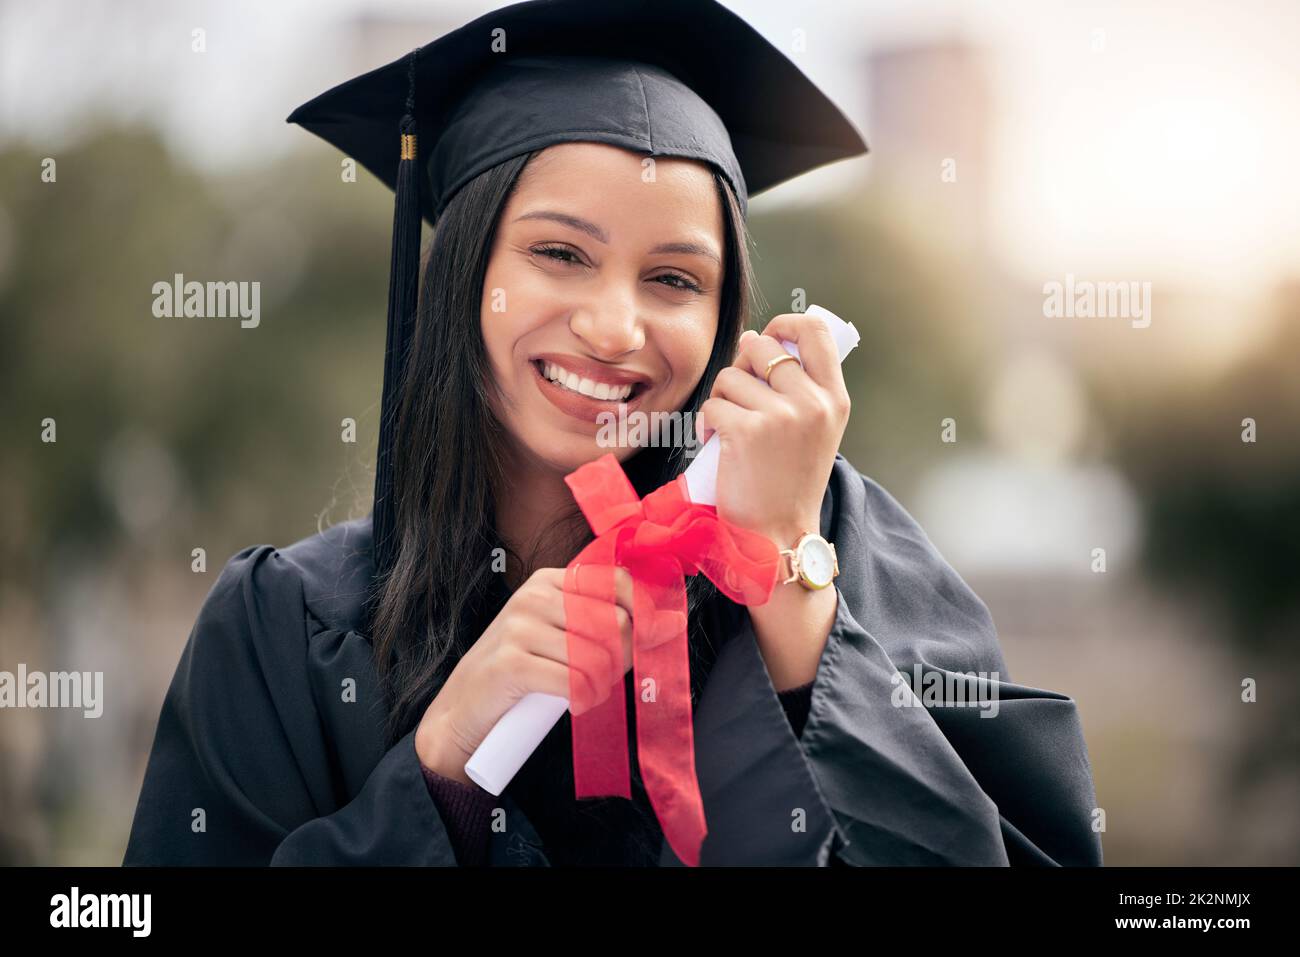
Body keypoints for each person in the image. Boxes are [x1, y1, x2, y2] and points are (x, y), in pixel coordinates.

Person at [123, 0, 1103, 867]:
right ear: (465, 272)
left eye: (674, 278)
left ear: (724, 316)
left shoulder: (838, 544)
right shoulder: (287, 626)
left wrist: (794, 600)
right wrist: (442, 777)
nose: (613, 327)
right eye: (559, 254)